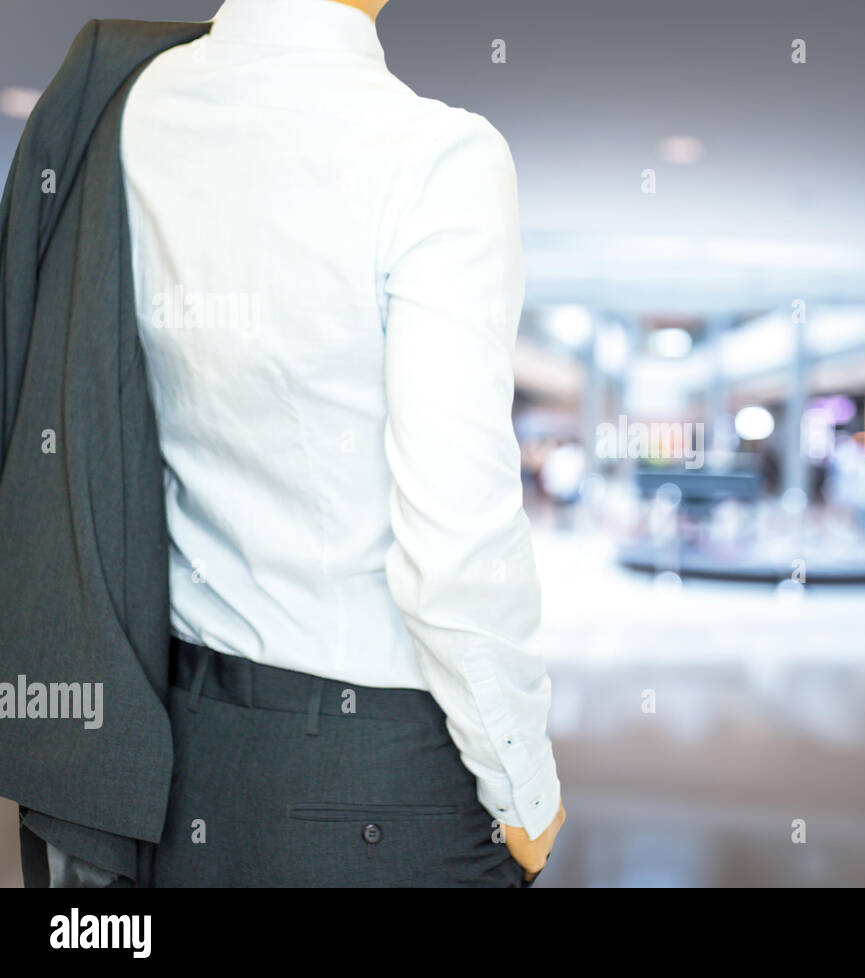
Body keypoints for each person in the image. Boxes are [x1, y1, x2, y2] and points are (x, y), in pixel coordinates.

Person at [13, 0, 563, 886]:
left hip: (181, 761)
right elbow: (457, 541)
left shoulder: (132, 107)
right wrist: (525, 787)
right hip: (379, 782)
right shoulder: (438, 156)